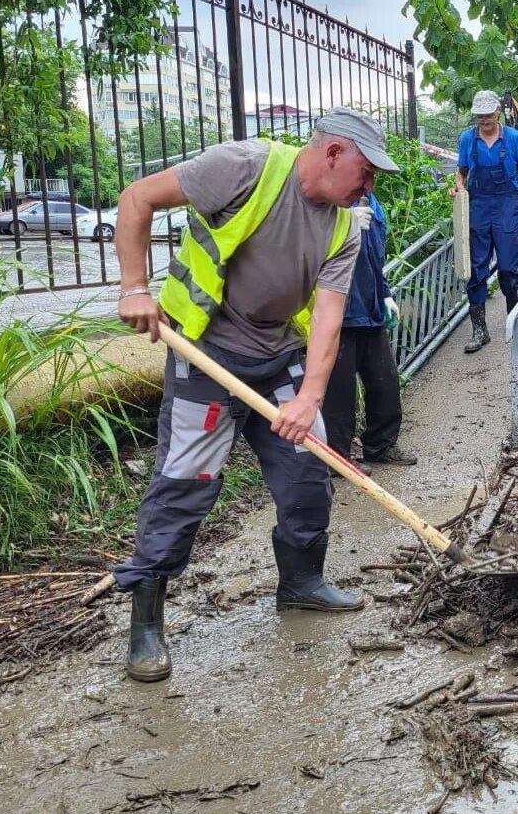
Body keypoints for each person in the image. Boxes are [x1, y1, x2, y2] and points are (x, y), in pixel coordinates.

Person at [113, 107, 399, 682]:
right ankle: (145, 623)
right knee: (184, 481)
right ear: (335, 152)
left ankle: (301, 582)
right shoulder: (244, 168)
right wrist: (134, 288)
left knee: (309, 465)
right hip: (207, 353)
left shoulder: (346, 224)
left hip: (277, 358)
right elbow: (136, 197)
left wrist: (310, 399)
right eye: (366, 173)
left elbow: (328, 316)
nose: (368, 187)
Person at [321, 191, 416, 472]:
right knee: (340, 393)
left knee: (384, 382)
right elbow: (310, 247)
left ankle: (380, 445)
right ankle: (336, 458)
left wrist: (384, 294)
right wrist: (344, 223)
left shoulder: (374, 205)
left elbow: (375, 257)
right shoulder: (329, 203)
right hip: (340, 313)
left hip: (370, 309)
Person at [450, 89, 518, 353]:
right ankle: (480, 330)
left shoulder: (512, 138)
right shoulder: (468, 139)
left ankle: (513, 316)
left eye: (488, 115)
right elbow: (461, 174)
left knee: (508, 268)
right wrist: (459, 189)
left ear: (498, 112)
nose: (484, 120)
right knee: (476, 268)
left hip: (506, 206)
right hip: (478, 206)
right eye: (479, 116)